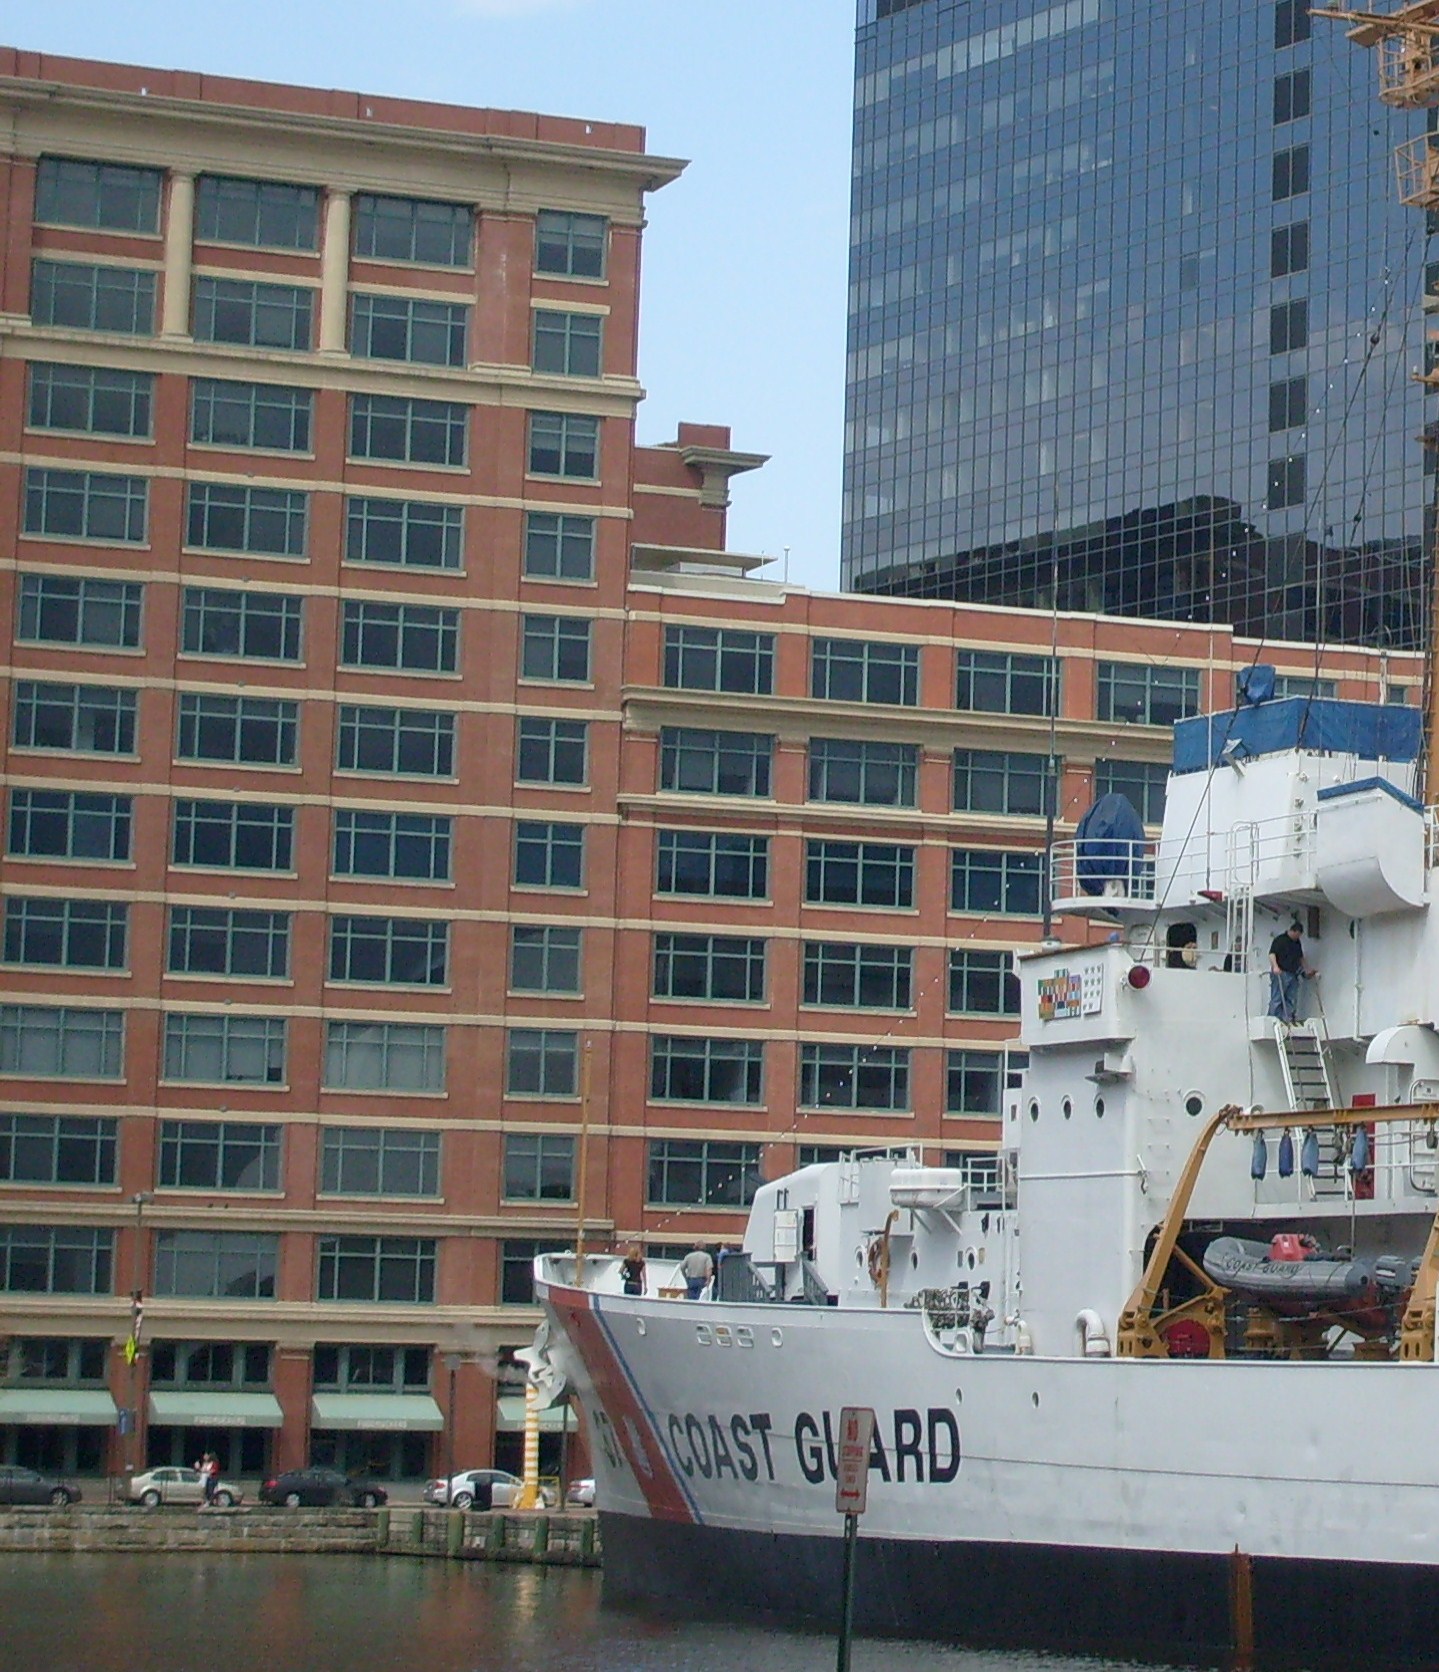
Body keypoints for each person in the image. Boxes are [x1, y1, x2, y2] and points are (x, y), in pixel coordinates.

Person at [1267, 920, 1316, 1023]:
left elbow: (1300, 957)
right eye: (1297, 935)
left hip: (1293, 973)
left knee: (1291, 998)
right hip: (1281, 973)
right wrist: (1275, 967)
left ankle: (1287, 1018)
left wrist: (1307, 969)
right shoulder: (1280, 940)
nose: (1298, 938)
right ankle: (1273, 1019)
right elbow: (1272, 954)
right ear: (1293, 931)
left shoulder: (1297, 942)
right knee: (1277, 997)